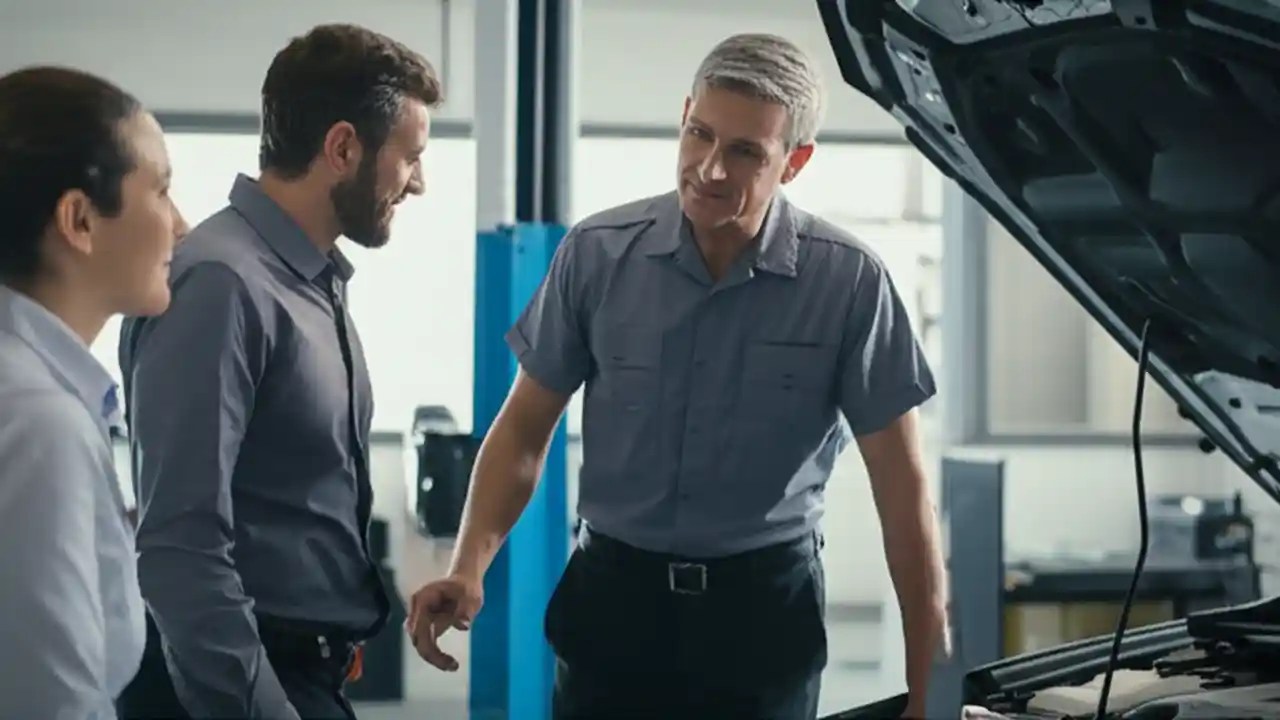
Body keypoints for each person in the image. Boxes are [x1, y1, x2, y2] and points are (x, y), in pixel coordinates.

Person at [407, 32, 952, 719]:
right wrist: (467, 566)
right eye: (701, 135)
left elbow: (903, 493)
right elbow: (522, 431)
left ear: (795, 162)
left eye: (746, 151)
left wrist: (931, 691)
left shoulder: (849, 283)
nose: (711, 169)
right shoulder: (597, 255)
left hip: (762, 618)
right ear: (685, 115)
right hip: (613, 605)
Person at [115, 24, 441, 720]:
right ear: (343, 148)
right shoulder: (221, 285)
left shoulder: (307, 281)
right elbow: (181, 546)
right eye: (410, 157)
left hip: (302, 672)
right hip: (233, 684)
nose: (418, 182)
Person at [0, 66, 186, 717]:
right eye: (161, 191)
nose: (180, 225)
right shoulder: (37, 420)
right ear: (79, 219)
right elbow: (51, 701)